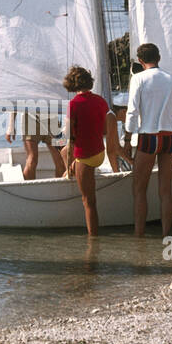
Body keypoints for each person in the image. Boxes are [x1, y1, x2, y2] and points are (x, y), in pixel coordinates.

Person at [124, 43, 172, 238]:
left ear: (140, 61)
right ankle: (167, 235)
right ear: (158, 58)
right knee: (165, 191)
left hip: (148, 137)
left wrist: (127, 139)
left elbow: (132, 112)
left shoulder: (139, 79)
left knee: (139, 189)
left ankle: (139, 236)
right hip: (168, 137)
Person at [62, 66, 115, 236]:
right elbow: (105, 131)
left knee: (88, 202)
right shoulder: (101, 101)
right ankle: (67, 172)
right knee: (64, 152)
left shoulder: (73, 104)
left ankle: (93, 241)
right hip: (100, 153)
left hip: (86, 157)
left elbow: (70, 137)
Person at [18, 106, 66, 180]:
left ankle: (59, 189)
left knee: (60, 158)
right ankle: (28, 190)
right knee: (32, 159)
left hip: (52, 118)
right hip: (30, 118)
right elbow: (15, 97)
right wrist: (11, 126)